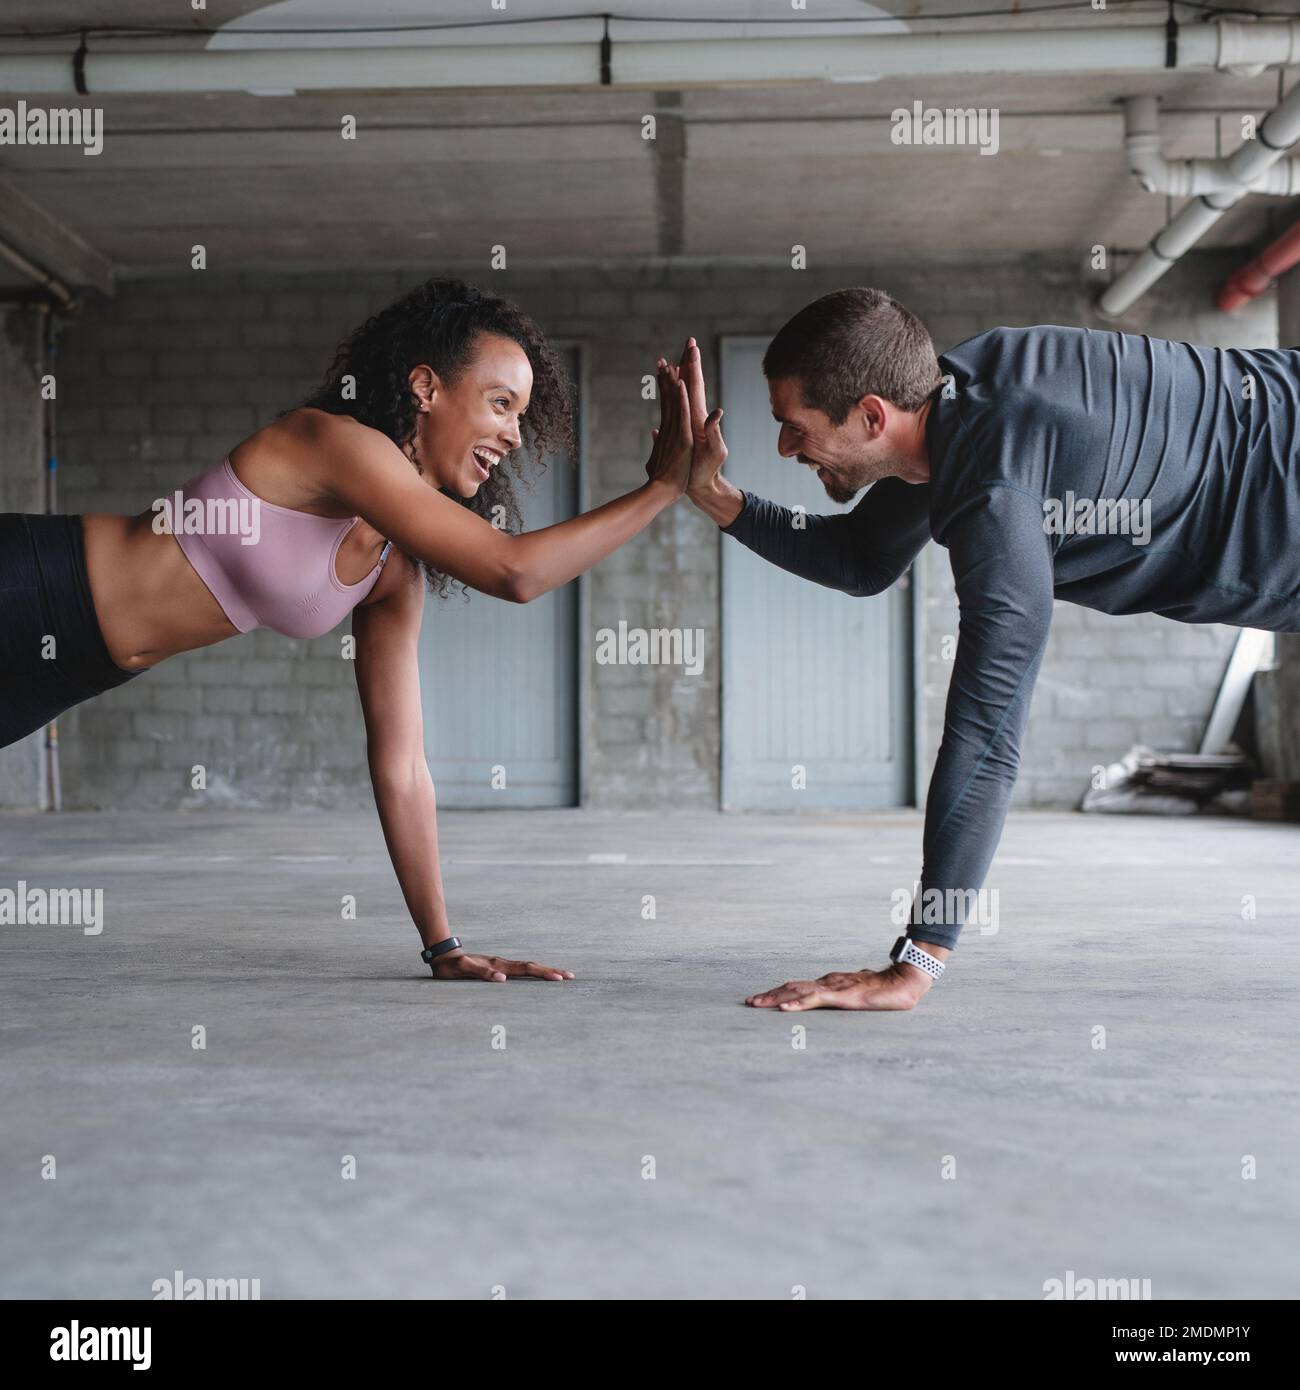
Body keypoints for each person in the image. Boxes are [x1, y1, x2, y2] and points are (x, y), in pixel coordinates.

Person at [1, 277, 713, 986]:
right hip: (30, 584)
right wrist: (658, 491)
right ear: (427, 387)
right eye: (501, 404)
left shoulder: (393, 572)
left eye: (522, 415)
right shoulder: (329, 442)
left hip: (72, 672)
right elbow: (513, 573)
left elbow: (402, 767)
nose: (515, 434)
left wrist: (444, 947)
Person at [683, 287, 1300, 1012]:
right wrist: (713, 492)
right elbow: (861, 558)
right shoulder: (955, 402)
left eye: (794, 427)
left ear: (872, 415)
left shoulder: (994, 490)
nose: (785, 447)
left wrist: (916, 964)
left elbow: (986, 738)